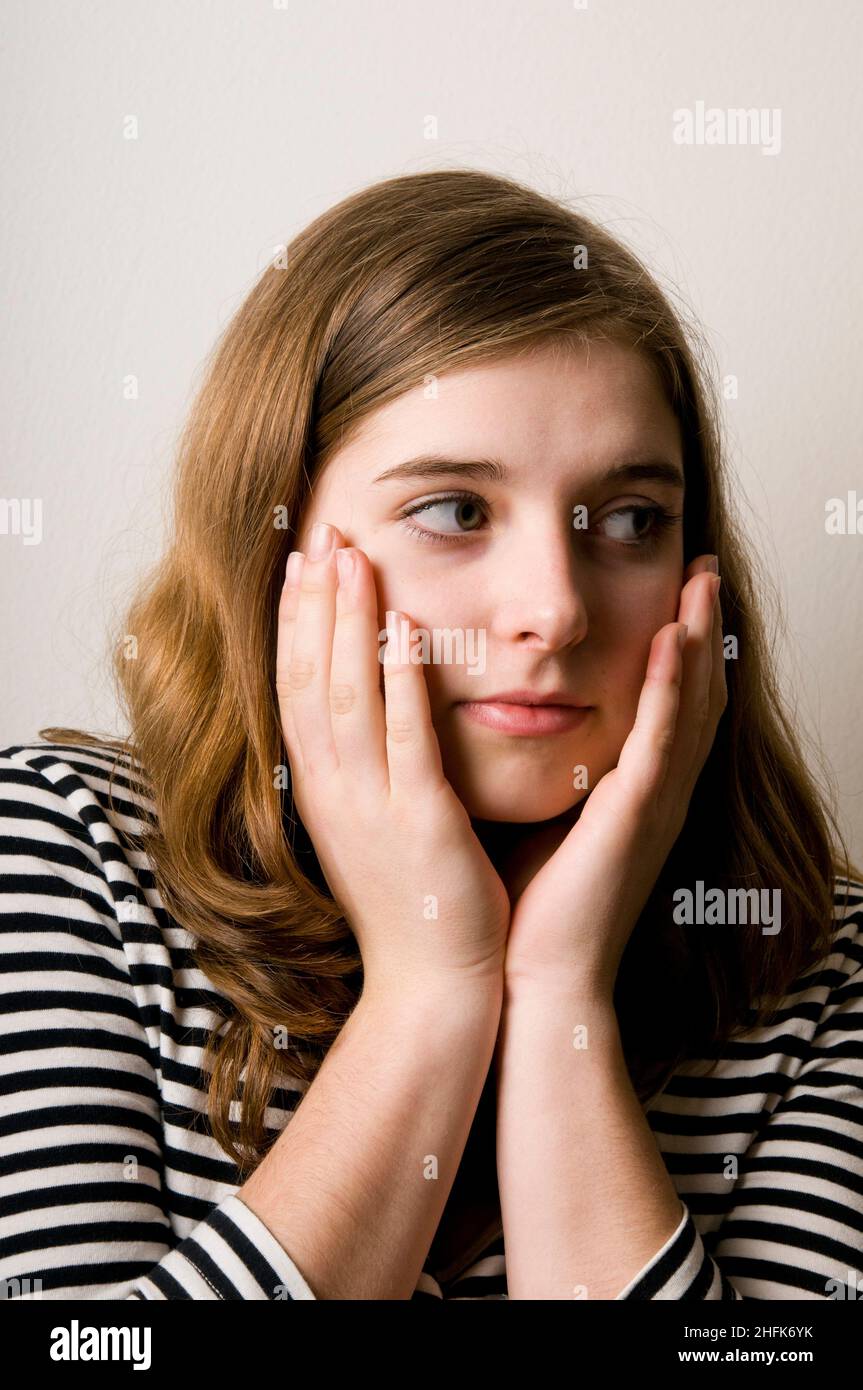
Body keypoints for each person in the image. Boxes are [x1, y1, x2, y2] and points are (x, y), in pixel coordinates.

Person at [1, 168, 861, 1301]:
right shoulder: (63, 858)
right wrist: (430, 985)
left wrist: (556, 998)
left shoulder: (809, 958)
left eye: (628, 519)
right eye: (454, 510)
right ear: (277, 552)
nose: (553, 609)